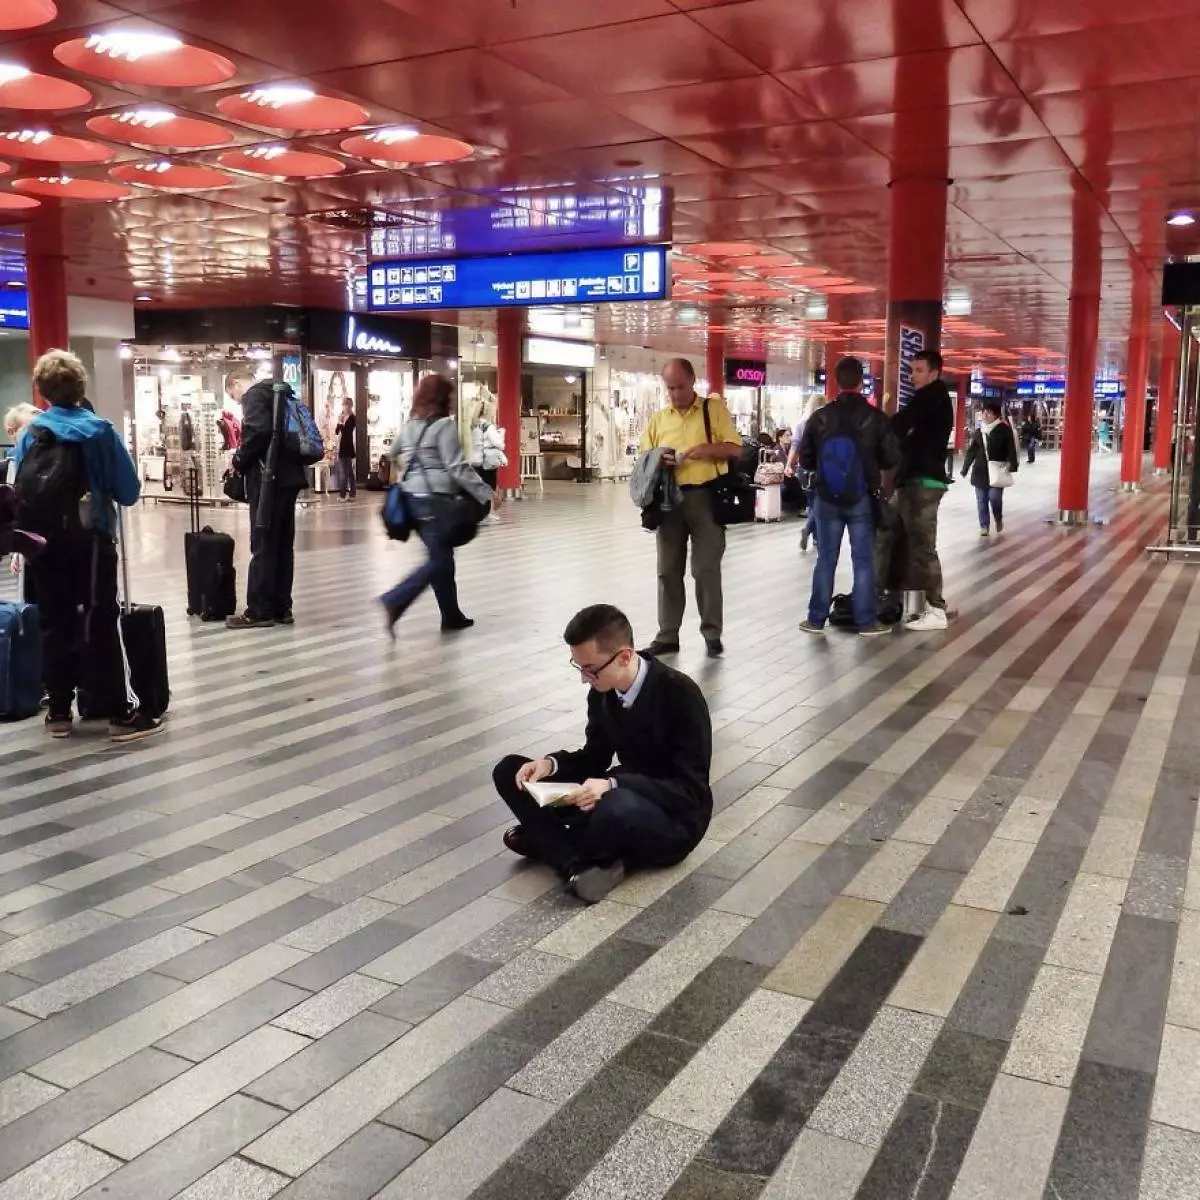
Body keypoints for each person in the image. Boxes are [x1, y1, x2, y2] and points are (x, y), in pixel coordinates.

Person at [493, 604, 713, 904]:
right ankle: (577, 865)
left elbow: (690, 793)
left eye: (590, 669)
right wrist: (549, 765)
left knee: (615, 805)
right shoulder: (602, 692)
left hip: (672, 821)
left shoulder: (680, 695)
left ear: (624, 656)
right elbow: (594, 757)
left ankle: (555, 845)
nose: (584, 679)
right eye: (578, 667)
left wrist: (612, 786)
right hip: (616, 795)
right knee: (509, 770)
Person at [10, 350, 162, 741]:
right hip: (90, 540)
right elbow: (128, 492)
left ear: (42, 391)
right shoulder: (99, 431)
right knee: (97, 620)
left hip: (43, 544)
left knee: (53, 620)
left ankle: (59, 710)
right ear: (80, 387)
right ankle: (117, 713)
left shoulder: (30, 433)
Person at [639, 358, 742, 659]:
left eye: (680, 386)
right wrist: (660, 459)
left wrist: (701, 451)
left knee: (705, 569)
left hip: (705, 498)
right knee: (668, 570)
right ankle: (667, 634)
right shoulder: (659, 419)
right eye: (670, 388)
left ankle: (712, 633)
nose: (675, 393)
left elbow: (735, 449)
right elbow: (645, 460)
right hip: (669, 500)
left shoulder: (713, 410)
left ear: (693, 381)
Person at [380, 374, 497, 636]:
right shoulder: (444, 425)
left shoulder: (410, 424)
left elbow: (393, 452)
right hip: (434, 502)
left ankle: (451, 615)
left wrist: (409, 473)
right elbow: (456, 468)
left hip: (411, 500)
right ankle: (395, 599)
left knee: (442, 557)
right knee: (439, 561)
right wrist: (486, 492)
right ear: (443, 399)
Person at [797, 356, 899, 637]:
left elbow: (805, 459)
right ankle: (867, 622)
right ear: (860, 381)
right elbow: (891, 458)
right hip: (862, 498)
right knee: (863, 561)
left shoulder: (820, 418)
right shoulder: (875, 418)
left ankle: (816, 619)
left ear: (836, 381)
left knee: (826, 559)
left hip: (826, 499)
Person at [225, 366, 307, 629]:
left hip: (268, 480)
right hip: (290, 478)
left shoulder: (255, 395)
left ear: (237, 383)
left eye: (233, 395)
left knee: (263, 542)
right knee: (283, 544)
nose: (237, 401)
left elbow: (257, 432)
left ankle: (259, 610)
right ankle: (282, 608)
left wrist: (239, 460)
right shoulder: (281, 394)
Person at [892, 349, 955, 632]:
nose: (913, 376)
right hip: (919, 480)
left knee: (922, 547)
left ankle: (936, 609)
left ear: (934, 372)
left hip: (923, 482)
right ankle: (917, 601)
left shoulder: (929, 396)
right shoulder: (935, 399)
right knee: (906, 540)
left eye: (918, 370)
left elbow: (899, 423)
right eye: (911, 370)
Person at [962, 401, 1019, 537]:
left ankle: (998, 518)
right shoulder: (979, 431)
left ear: (996, 415)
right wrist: (965, 468)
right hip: (980, 471)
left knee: (994, 498)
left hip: (997, 471)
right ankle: (984, 526)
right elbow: (971, 451)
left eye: (988, 412)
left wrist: (1013, 464)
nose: (985, 415)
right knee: (981, 500)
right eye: (984, 412)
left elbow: (1011, 448)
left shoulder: (1004, 430)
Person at [469, 402, 508, 523]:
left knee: (479, 487)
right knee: (489, 487)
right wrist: (502, 433)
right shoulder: (488, 426)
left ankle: (479, 514)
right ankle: (485, 514)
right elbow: (499, 444)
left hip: (476, 460)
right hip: (488, 461)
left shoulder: (474, 425)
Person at [335, 397, 356, 501]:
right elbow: (336, 431)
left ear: (350, 406)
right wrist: (339, 422)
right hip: (342, 446)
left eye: (346, 405)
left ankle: (342, 495)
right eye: (343, 405)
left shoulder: (352, 418)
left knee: (344, 472)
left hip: (347, 447)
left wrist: (343, 423)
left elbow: (347, 432)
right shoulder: (342, 417)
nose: (345, 407)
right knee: (349, 472)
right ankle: (352, 494)